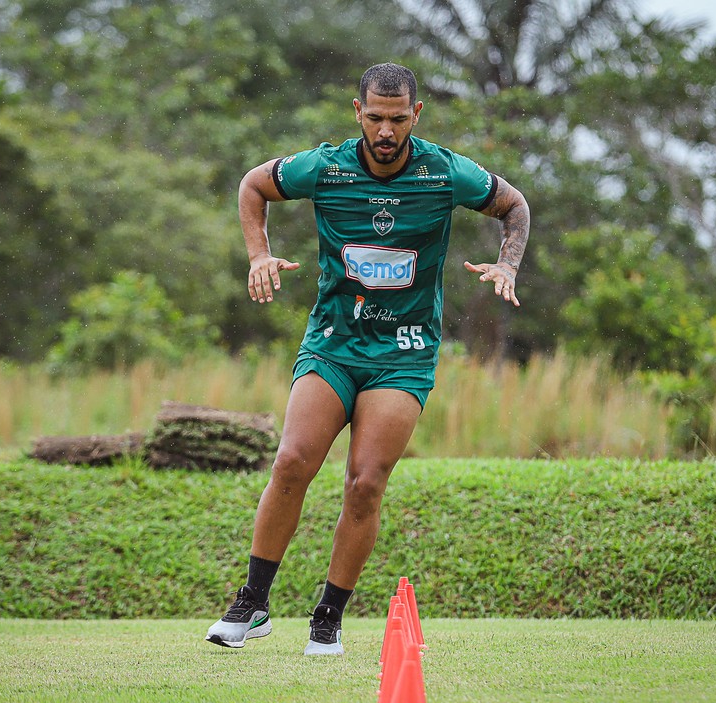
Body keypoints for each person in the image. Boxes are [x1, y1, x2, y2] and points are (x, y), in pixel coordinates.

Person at [206, 62, 530, 655]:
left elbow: (515, 206)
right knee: (293, 461)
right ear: (357, 112)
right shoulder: (325, 168)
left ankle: (327, 617)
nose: (386, 131)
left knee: (364, 483)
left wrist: (508, 263)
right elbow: (253, 185)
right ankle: (252, 604)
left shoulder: (444, 171)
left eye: (398, 119)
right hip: (334, 342)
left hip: (403, 355)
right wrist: (259, 255)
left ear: (416, 116)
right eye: (375, 118)